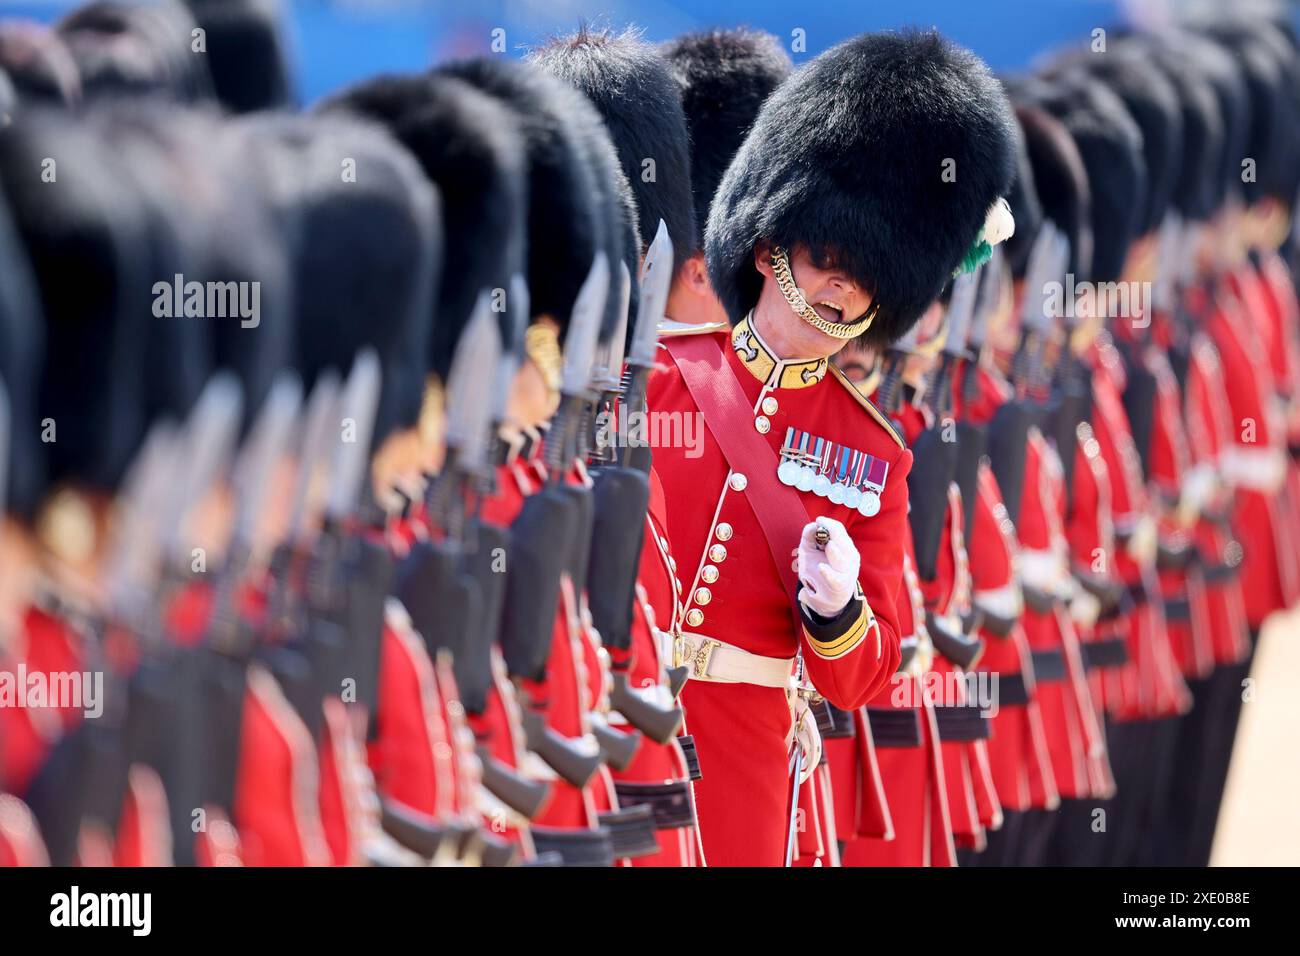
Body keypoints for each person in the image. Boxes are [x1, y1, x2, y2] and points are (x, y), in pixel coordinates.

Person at [647, 29, 1016, 865]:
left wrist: (837, 611)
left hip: (751, 764)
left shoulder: (873, 452)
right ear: (772, 245)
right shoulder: (658, 379)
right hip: (640, 740)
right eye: (824, 256)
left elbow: (867, 673)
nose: (838, 284)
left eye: (865, 275)